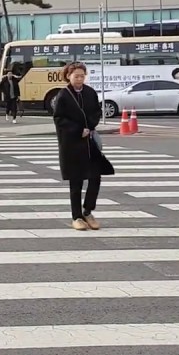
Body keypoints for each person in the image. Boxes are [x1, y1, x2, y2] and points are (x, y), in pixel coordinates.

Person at [52, 62, 115, 231]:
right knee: (76, 181)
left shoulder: (90, 93)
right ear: (68, 76)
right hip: (72, 144)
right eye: (76, 76)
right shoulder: (63, 95)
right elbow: (59, 119)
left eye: (82, 76)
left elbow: (96, 112)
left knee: (95, 177)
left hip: (90, 143)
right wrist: (78, 130)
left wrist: (90, 126)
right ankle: (76, 216)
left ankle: (88, 211)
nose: (79, 79)